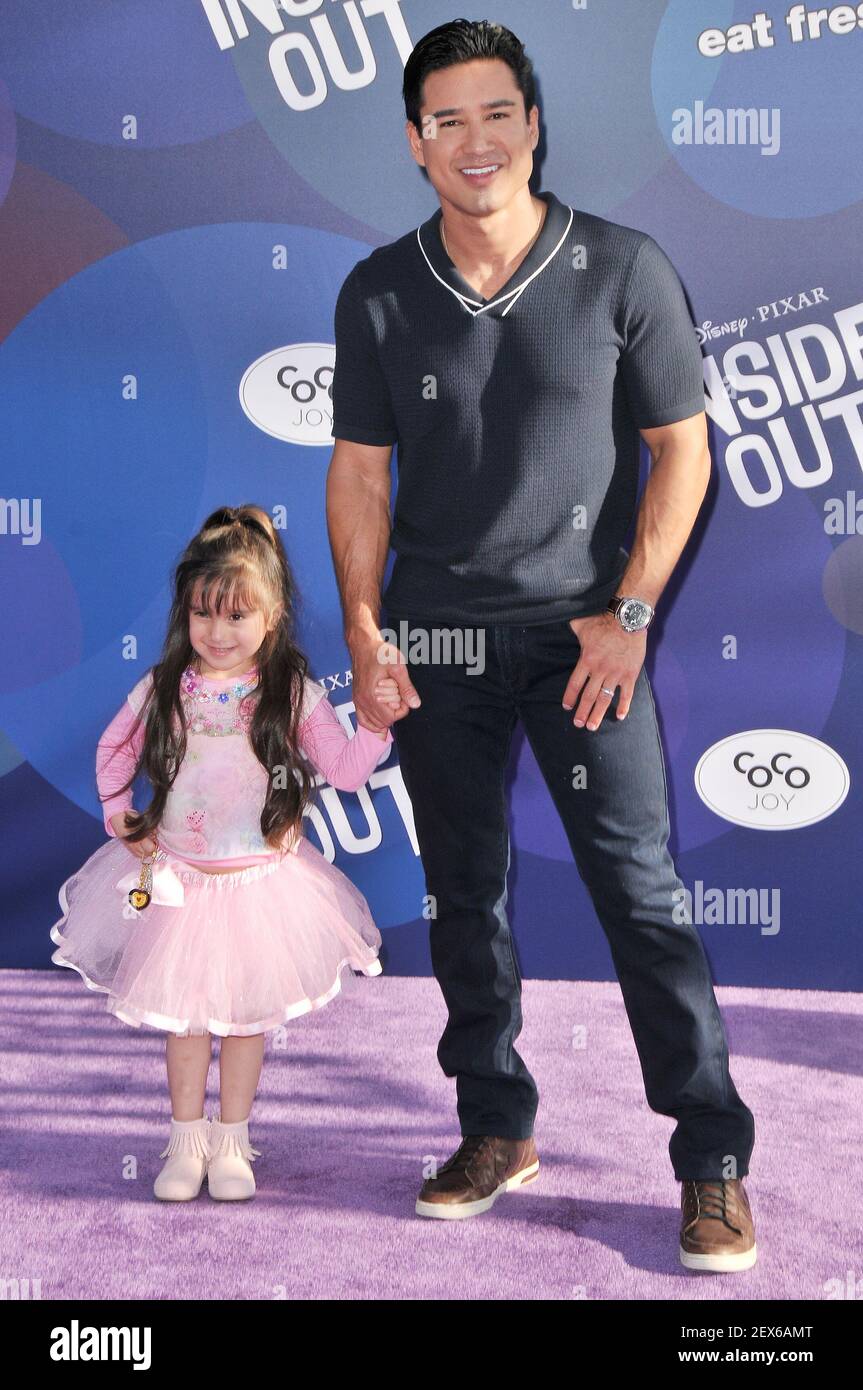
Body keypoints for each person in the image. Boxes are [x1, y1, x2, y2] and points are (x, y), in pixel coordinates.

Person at [326, 19, 756, 1271]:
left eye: (497, 111)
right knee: (464, 896)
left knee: (642, 900)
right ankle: (493, 1127)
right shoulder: (378, 290)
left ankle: (710, 1161)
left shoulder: (622, 267)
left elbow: (682, 447)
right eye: (447, 119)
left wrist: (626, 616)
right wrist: (363, 628)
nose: (476, 139)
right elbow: (358, 475)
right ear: (414, 143)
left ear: (533, 122)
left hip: (583, 646)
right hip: (434, 640)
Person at [50, 504, 397, 1203]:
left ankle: (232, 1141)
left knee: (244, 1023)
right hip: (179, 880)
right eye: (203, 613)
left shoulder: (290, 691)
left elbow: (347, 768)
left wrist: (377, 723)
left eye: (237, 615)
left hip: (257, 888)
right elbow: (114, 750)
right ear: (184, 612)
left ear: (272, 616)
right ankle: (185, 1138)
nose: (217, 631)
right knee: (184, 1021)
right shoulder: (164, 686)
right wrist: (121, 814)